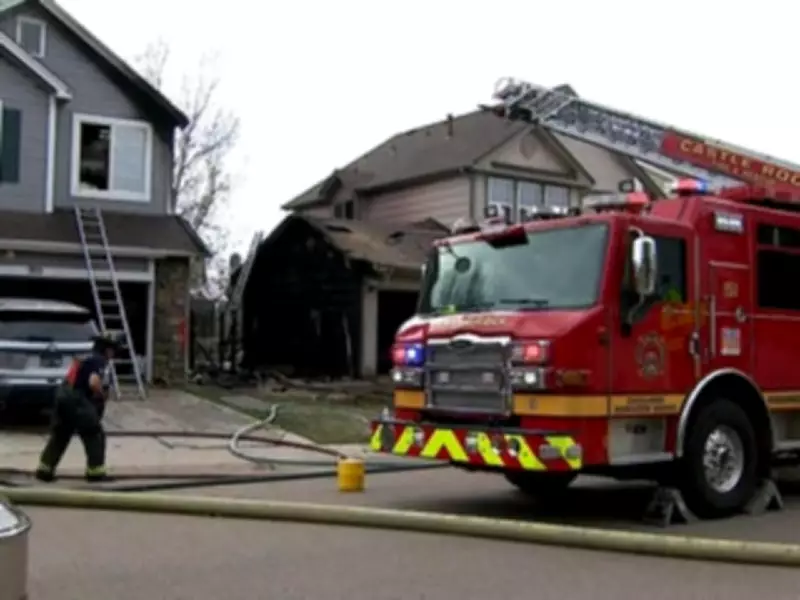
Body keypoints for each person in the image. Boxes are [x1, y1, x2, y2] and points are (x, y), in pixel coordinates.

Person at [34, 331, 122, 483]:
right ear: (107, 349)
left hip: (63, 395)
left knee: (61, 434)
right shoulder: (99, 360)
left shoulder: (85, 356)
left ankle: (44, 470)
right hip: (76, 399)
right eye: (113, 350)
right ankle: (95, 473)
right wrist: (101, 394)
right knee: (94, 434)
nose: (113, 353)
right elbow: (93, 382)